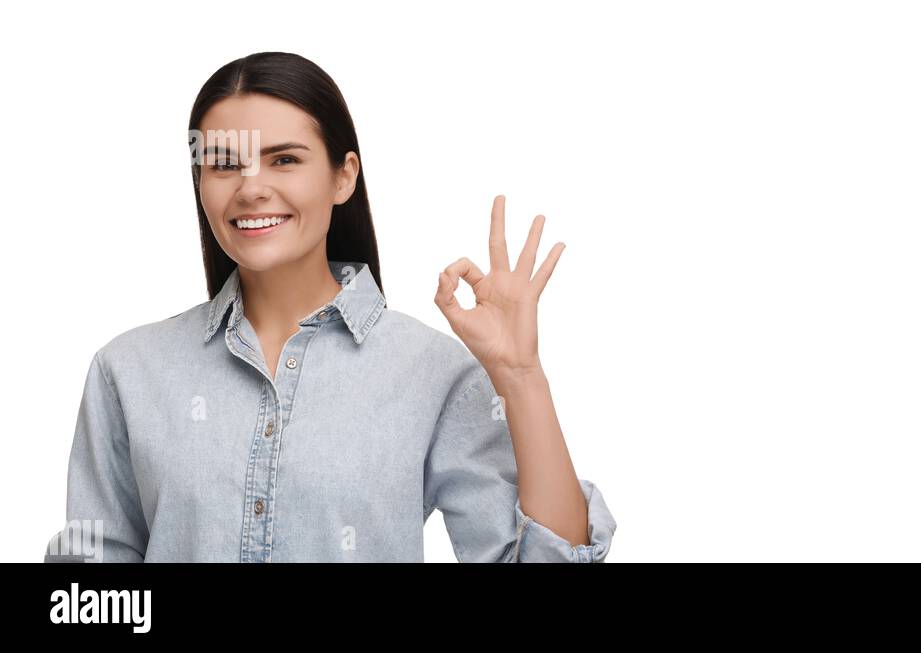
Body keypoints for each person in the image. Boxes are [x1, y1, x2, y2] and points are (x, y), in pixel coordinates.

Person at [43, 51, 615, 563]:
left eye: (285, 159)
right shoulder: (128, 371)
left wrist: (521, 377)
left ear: (343, 176)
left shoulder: (429, 373)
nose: (251, 188)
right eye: (222, 164)